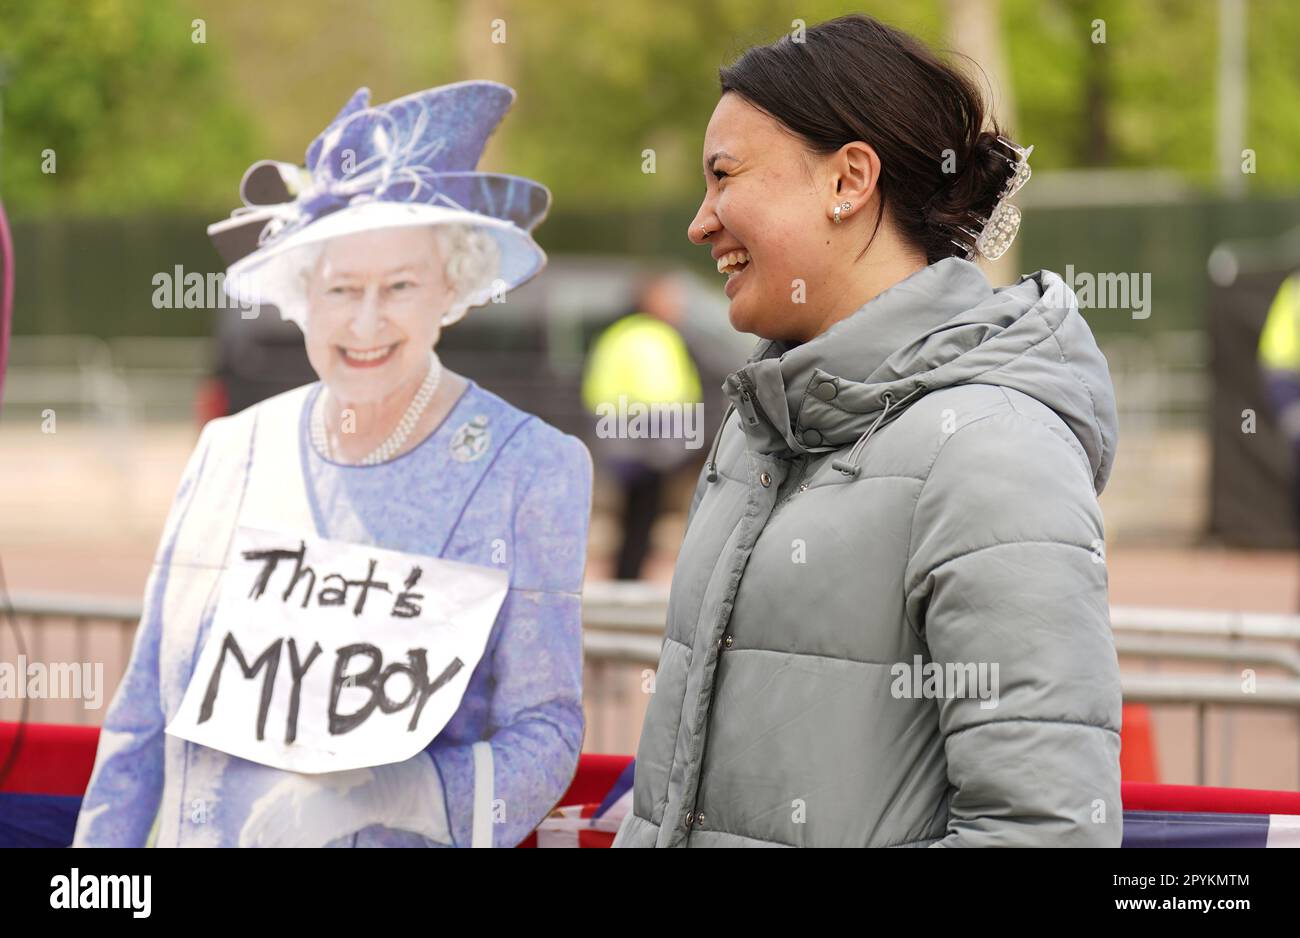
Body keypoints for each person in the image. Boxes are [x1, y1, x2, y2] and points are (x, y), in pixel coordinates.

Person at [614, 14, 1122, 848]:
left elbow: (1044, 830)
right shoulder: (758, 428)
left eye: (724, 176)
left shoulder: (994, 450)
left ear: (849, 180)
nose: (701, 223)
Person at [72, 81, 593, 848]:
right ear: (301, 292)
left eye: (401, 285)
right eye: (341, 287)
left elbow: (546, 733)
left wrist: (397, 795)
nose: (366, 320)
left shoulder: (531, 468)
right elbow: (142, 716)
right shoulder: (230, 449)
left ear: (452, 286)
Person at [582, 273, 702, 579]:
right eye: (670, 298)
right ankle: (629, 573)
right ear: (650, 300)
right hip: (647, 436)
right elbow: (657, 390)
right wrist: (671, 440)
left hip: (623, 433)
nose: (678, 306)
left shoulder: (620, 332)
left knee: (634, 511)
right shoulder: (652, 336)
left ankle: (627, 572)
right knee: (644, 511)